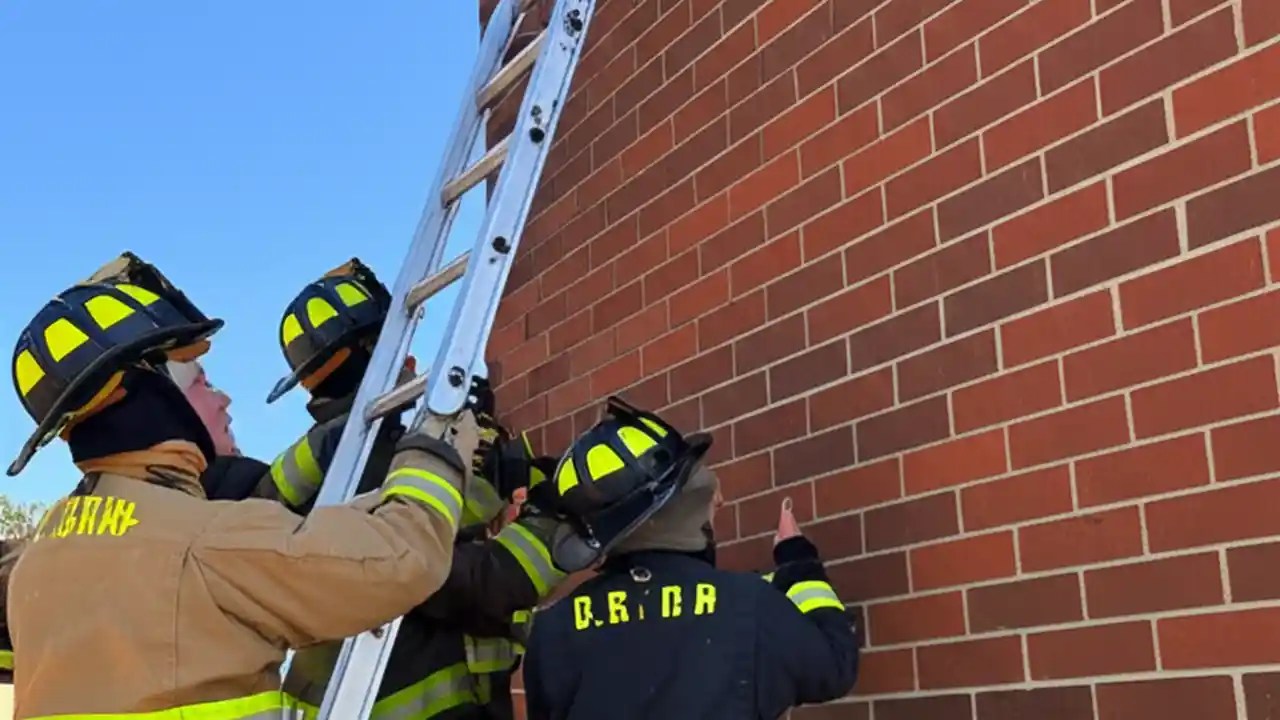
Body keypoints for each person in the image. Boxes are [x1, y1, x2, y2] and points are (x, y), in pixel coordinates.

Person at [4, 251, 476, 718]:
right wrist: (438, 451)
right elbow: (401, 557)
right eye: (199, 379)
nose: (224, 396)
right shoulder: (206, 544)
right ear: (148, 391)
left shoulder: (38, 564)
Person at [262, 258, 578, 718]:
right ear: (385, 354)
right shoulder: (370, 457)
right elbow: (441, 554)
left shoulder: (309, 462)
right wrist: (545, 507)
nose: (413, 363)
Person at [521, 396, 860, 720]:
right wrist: (799, 563)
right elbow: (834, 665)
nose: (720, 501)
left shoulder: (551, 631)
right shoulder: (750, 605)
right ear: (680, 507)